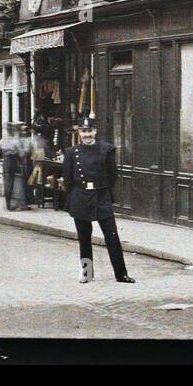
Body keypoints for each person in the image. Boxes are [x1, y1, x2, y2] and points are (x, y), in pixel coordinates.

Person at [62, 115, 133, 283]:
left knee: (112, 236)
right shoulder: (71, 153)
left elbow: (112, 175)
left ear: (95, 131)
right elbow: (67, 179)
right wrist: (75, 197)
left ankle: (121, 274)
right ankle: (87, 273)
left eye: (90, 131)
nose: (87, 135)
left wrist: (103, 191)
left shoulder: (106, 150)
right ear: (79, 132)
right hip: (81, 198)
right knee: (84, 238)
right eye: (83, 131)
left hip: (101, 197)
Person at [0, 122, 28, 211]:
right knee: (16, 182)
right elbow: (22, 154)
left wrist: (2, 158)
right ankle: (17, 204)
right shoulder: (15, 141)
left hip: (6, 162)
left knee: (7, 183)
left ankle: (8, 204)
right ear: (13, 131)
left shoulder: (2, 141)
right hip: (14, 162)